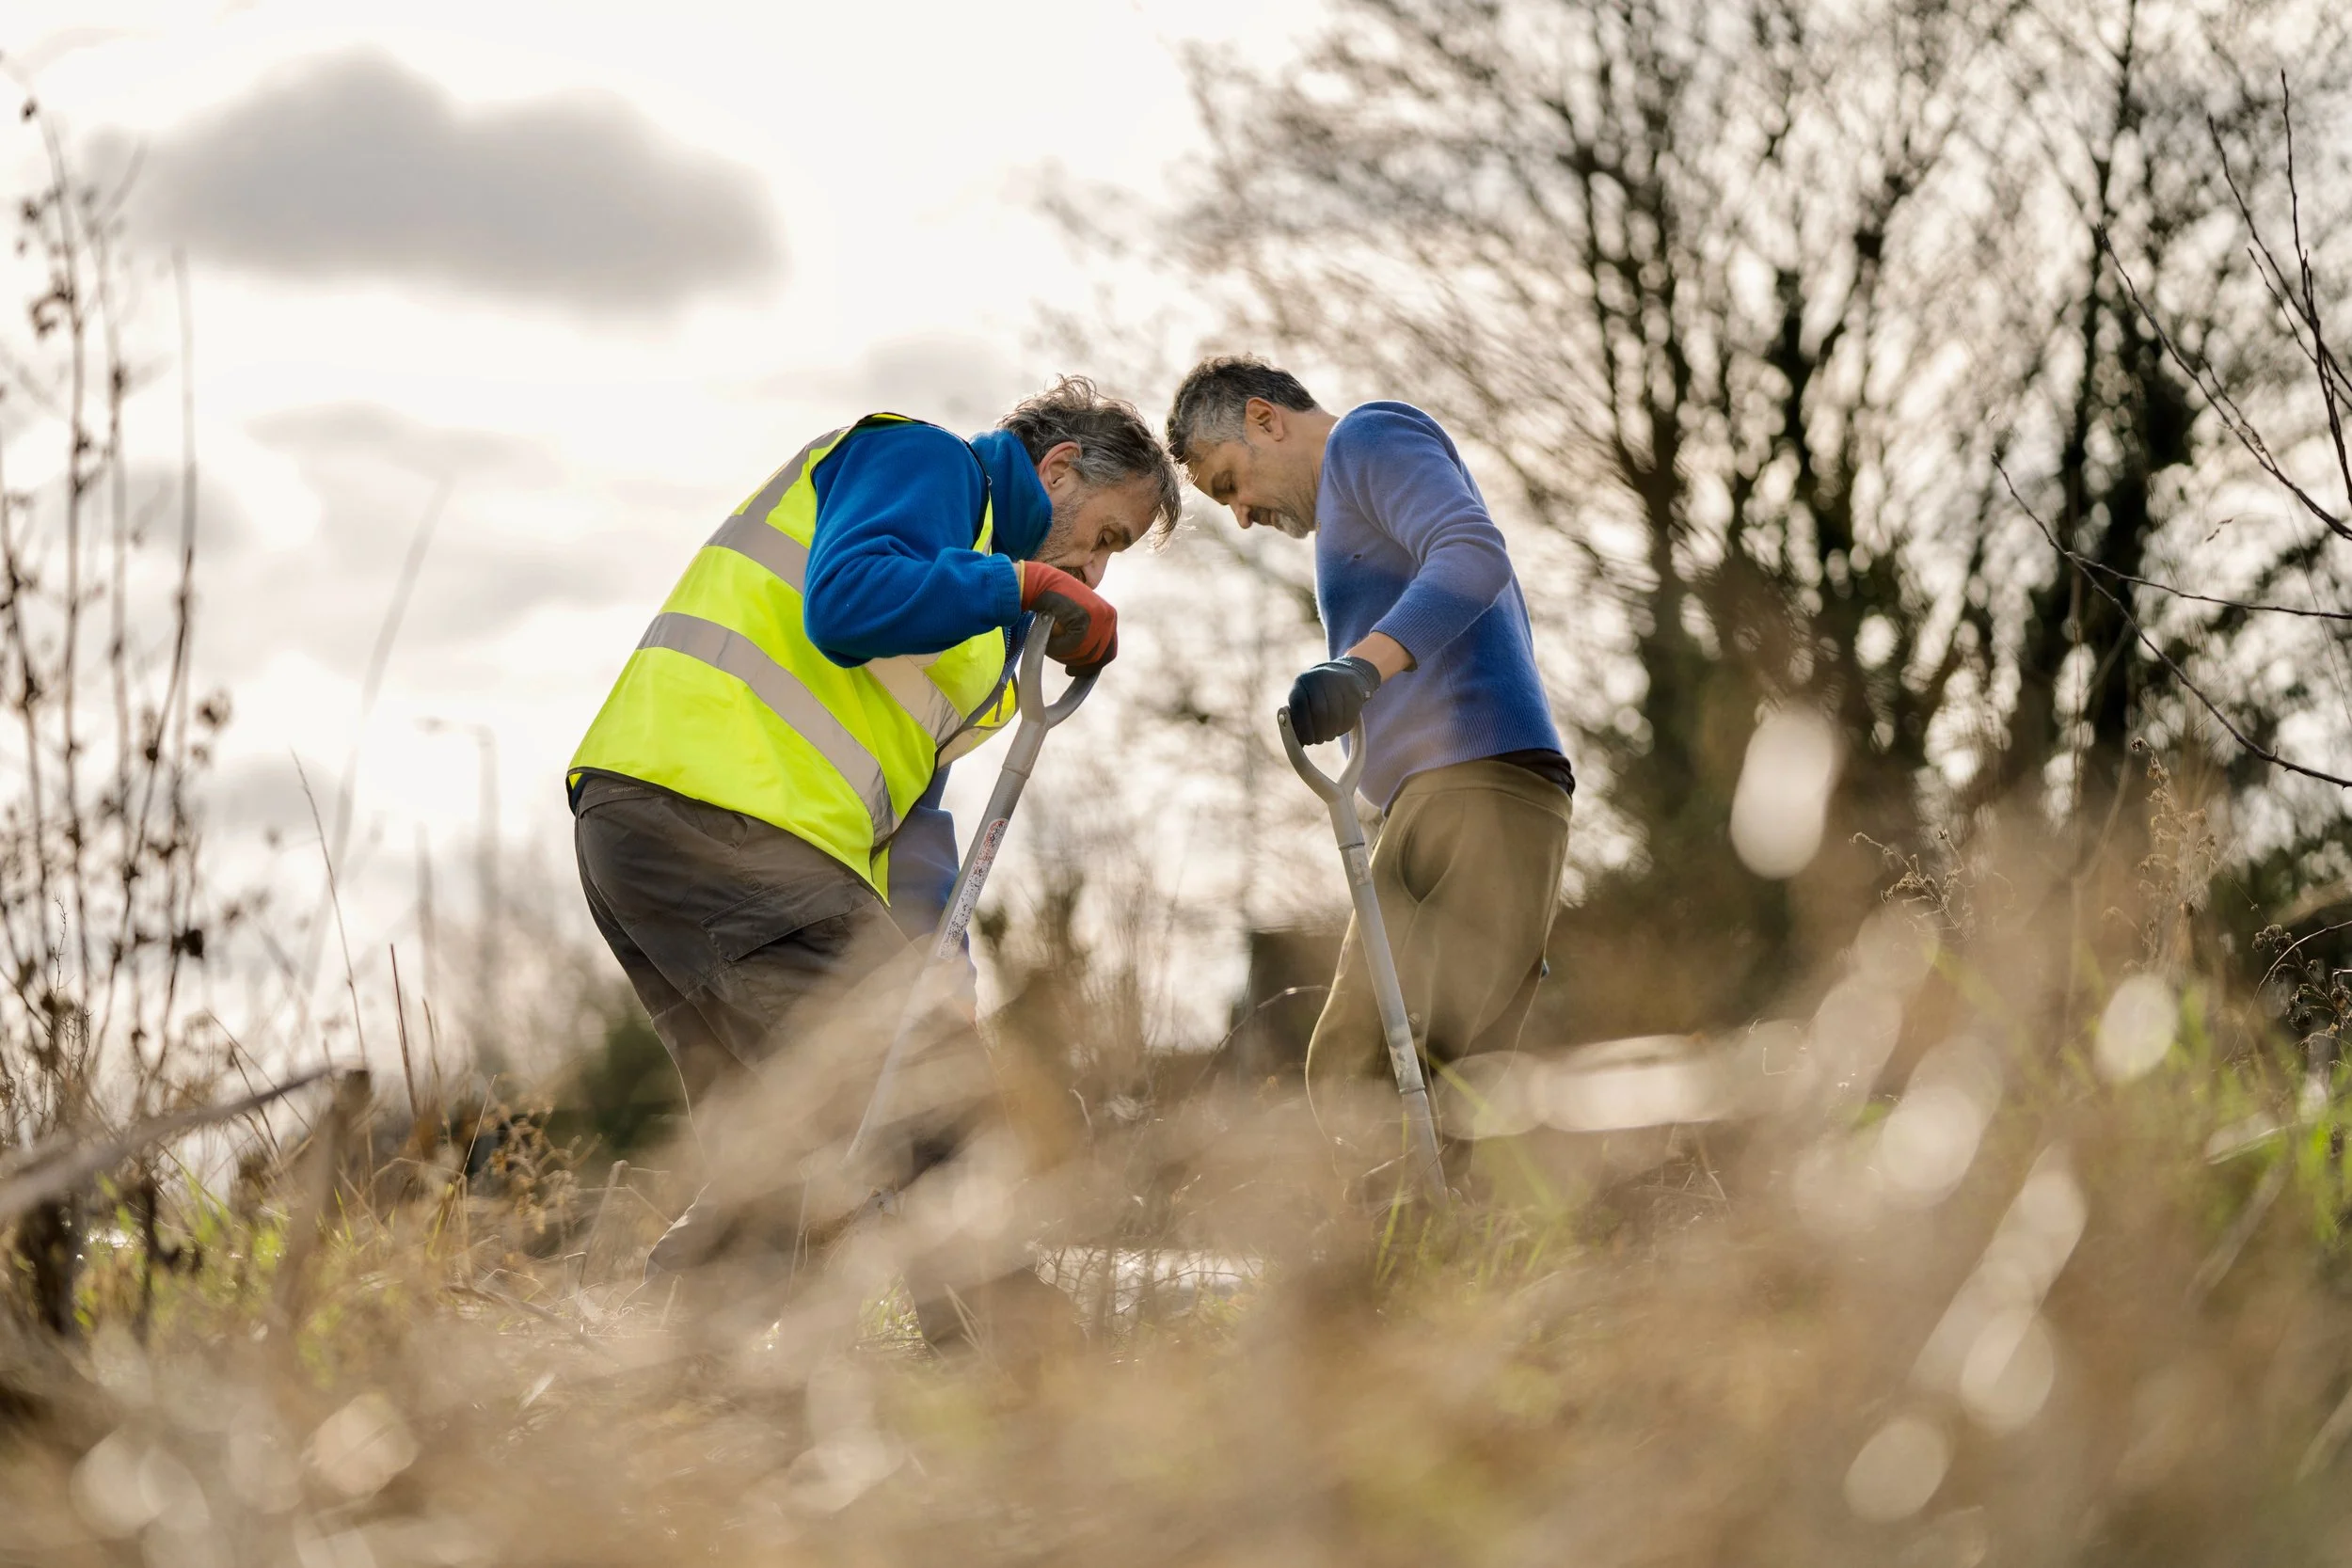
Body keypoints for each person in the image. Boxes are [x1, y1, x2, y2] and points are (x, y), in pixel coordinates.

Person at [569, 376, 1180, 1286]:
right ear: (1058, 469)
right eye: (1104, 538)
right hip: (725, 817)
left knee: (798, 1160)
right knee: (936, 1106)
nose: (1096, 572)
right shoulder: (925, 460)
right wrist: (1026, 578)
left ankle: (667, 1382)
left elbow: (914, 824)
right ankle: (1022, 1379)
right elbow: (847, 599)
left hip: (673, 832)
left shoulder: (985, 637)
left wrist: (944, 969)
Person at [1165, 356, 1574, 1159]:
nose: (1241, 515)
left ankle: (1408, 1269)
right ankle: (1447, 1271)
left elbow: (1470, 552)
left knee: (1383, 1071)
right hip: (1430, 802)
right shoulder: (1342, 523)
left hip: (1482, 783)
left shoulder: (1369, 435)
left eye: (1228, 483)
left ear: (1265, 418)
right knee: (1400, 1080)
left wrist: (1363, 665)